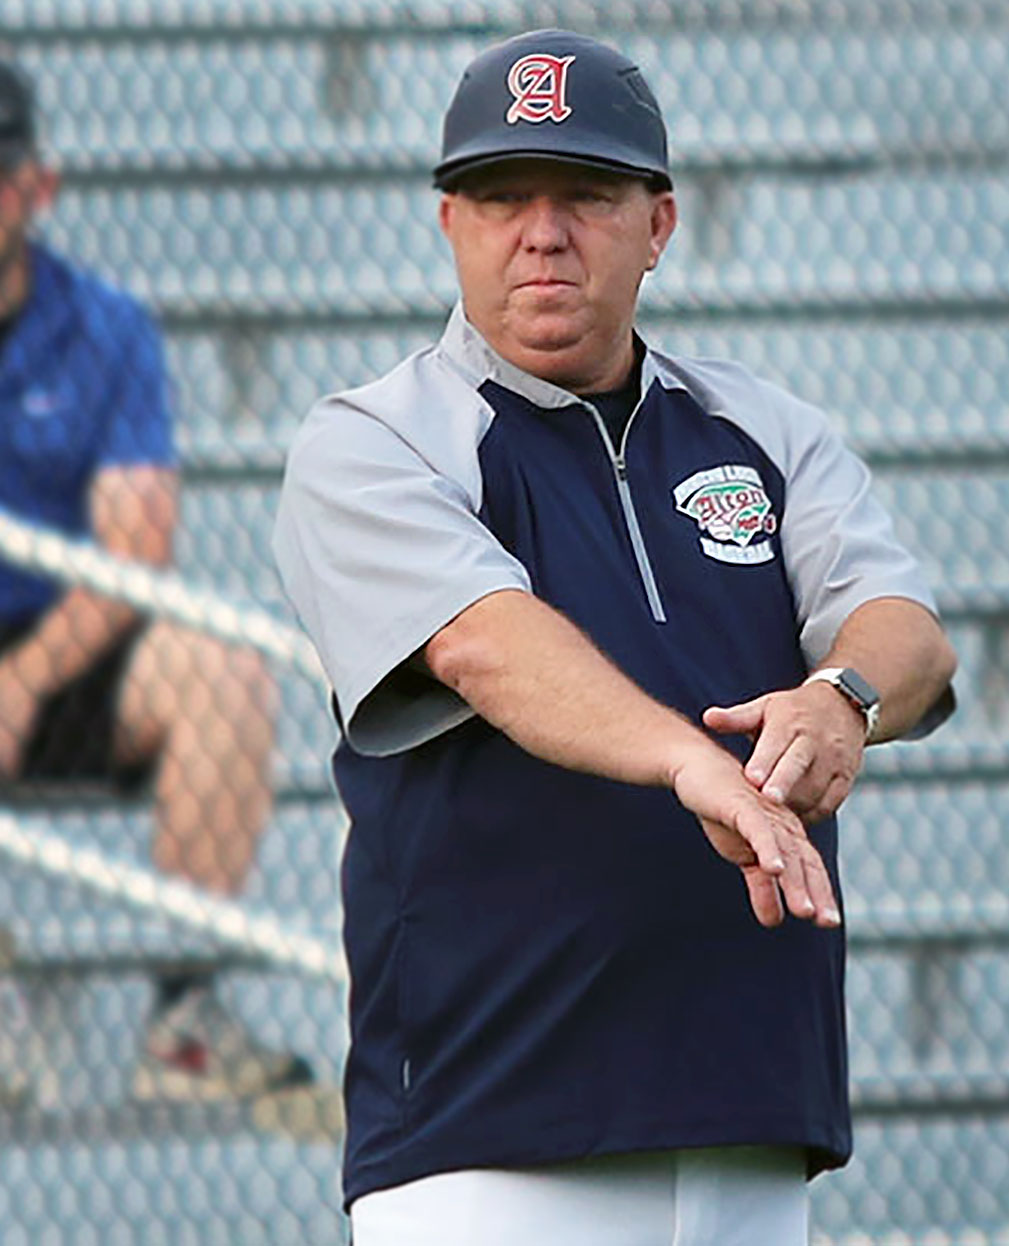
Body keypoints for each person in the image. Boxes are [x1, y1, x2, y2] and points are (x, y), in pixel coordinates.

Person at [274, 28, 957, 1245]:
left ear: (658, 224)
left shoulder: (763, 427)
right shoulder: (375, 440)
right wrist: (694, 763)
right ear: (449, 224)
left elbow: (904, 626)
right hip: (492, 1145)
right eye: (499, 197)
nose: (541, 232)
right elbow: (486, 646)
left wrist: (842, 696)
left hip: (752, 1112)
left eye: (585, 194)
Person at [0, 59, 312, 1104]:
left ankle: (181, 1014)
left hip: (61, 651)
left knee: (222, 672)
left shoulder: (107, 325)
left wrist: (28, 677)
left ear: (38, 187)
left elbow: (137, 551)